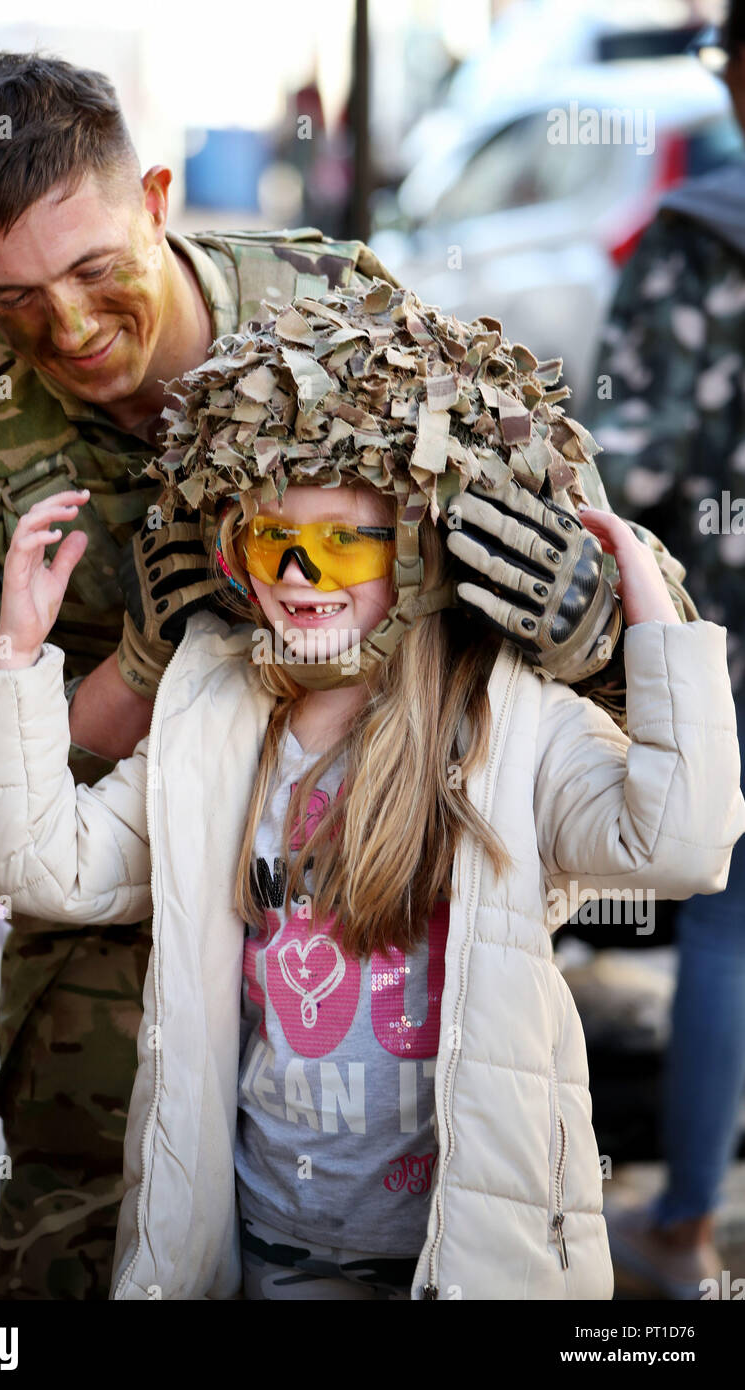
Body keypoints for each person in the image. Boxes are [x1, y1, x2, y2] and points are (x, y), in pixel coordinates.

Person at [0, 50, 698, 1301]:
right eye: (15, 299)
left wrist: (593, 631)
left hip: (400, 948)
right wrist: (137, 668)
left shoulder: (336, 312)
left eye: (96, 271)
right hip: (112, 987)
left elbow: (601, 600)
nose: (72, 328)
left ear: (156, 197)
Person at [0, 283, 745, 1300]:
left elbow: (681, 846)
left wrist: (652, 631)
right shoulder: (211, 718)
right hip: (271, 1250)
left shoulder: (511, 723)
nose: (297, 573)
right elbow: (44, 869)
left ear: (422, 547)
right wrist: (18, 661)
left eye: (342, 542)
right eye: (268, 539)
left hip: (457, 1259)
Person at [583, 1, 745, 1299]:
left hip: (724, 642)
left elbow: (629, 462)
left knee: (726, 928)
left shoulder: (698, 236)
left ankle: (684, 1221)